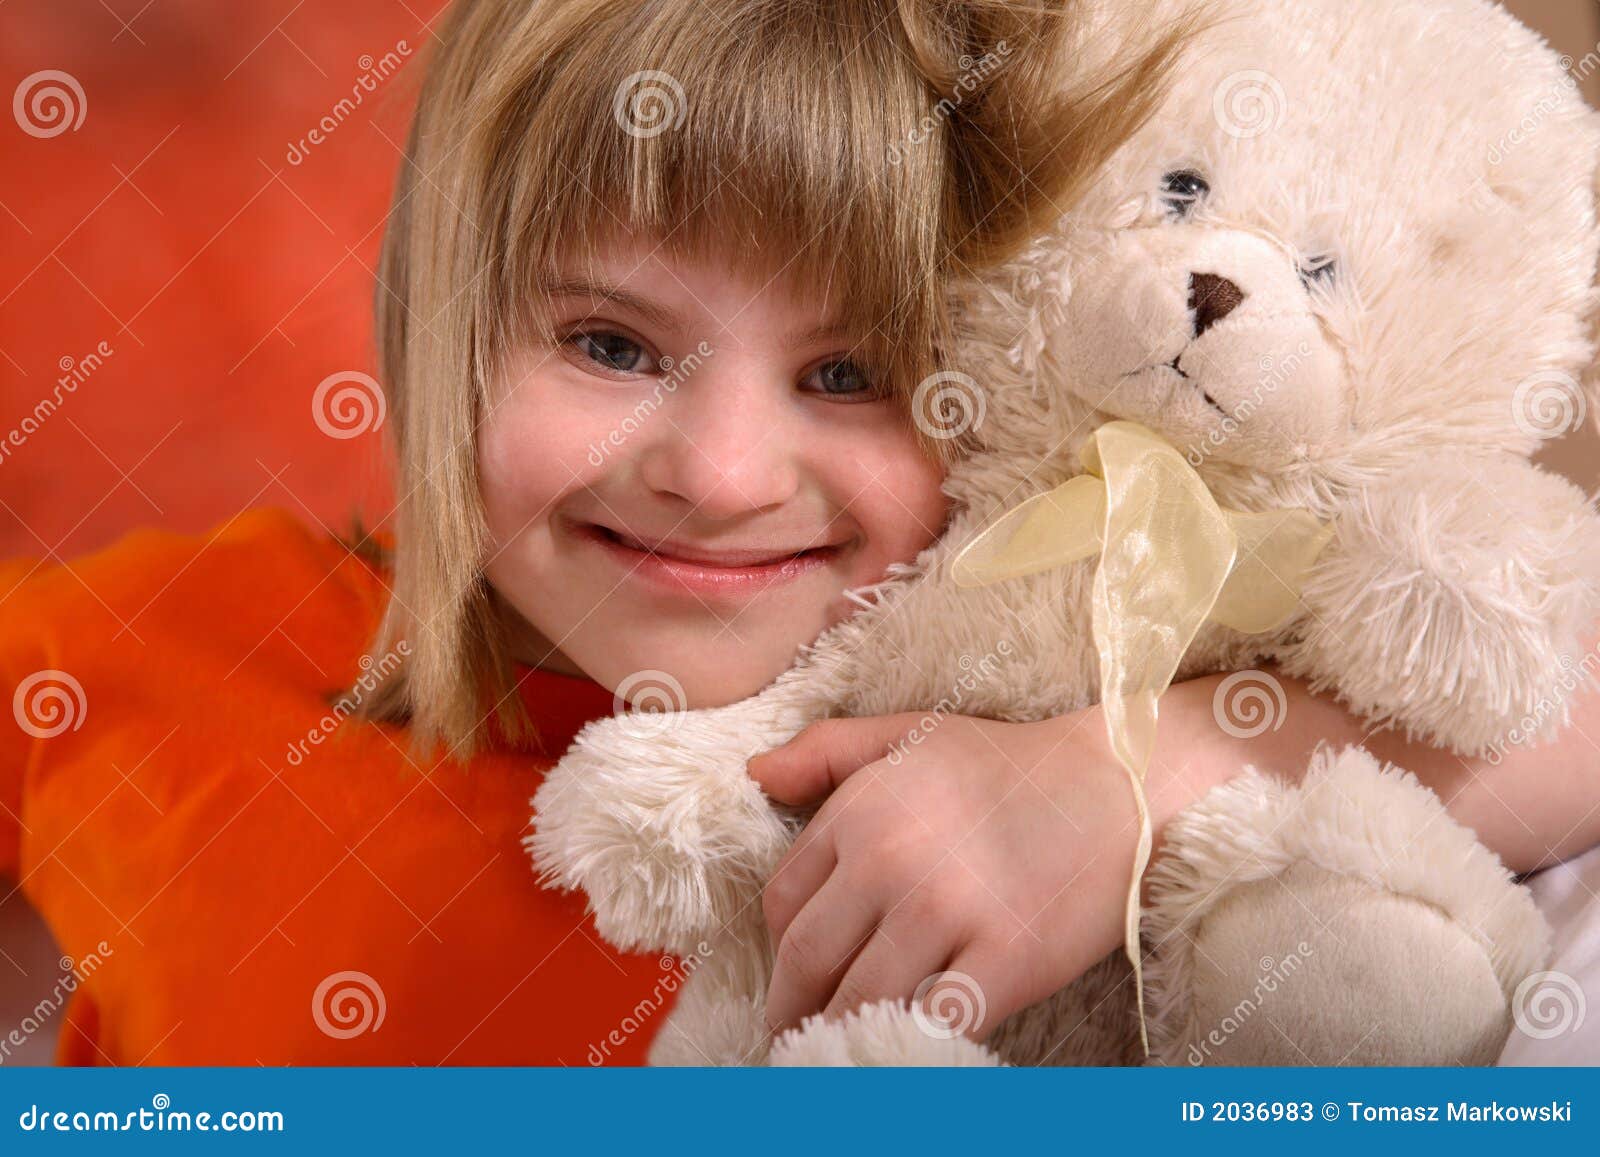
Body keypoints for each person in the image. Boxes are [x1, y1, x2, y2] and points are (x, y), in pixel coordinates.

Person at [2, 0, 1593, 1066]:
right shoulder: (154, 643)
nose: (720, 468)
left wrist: (1131, 780)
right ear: (438, 316)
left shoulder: (1047, 675)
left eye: (855, 372)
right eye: (611, 345)